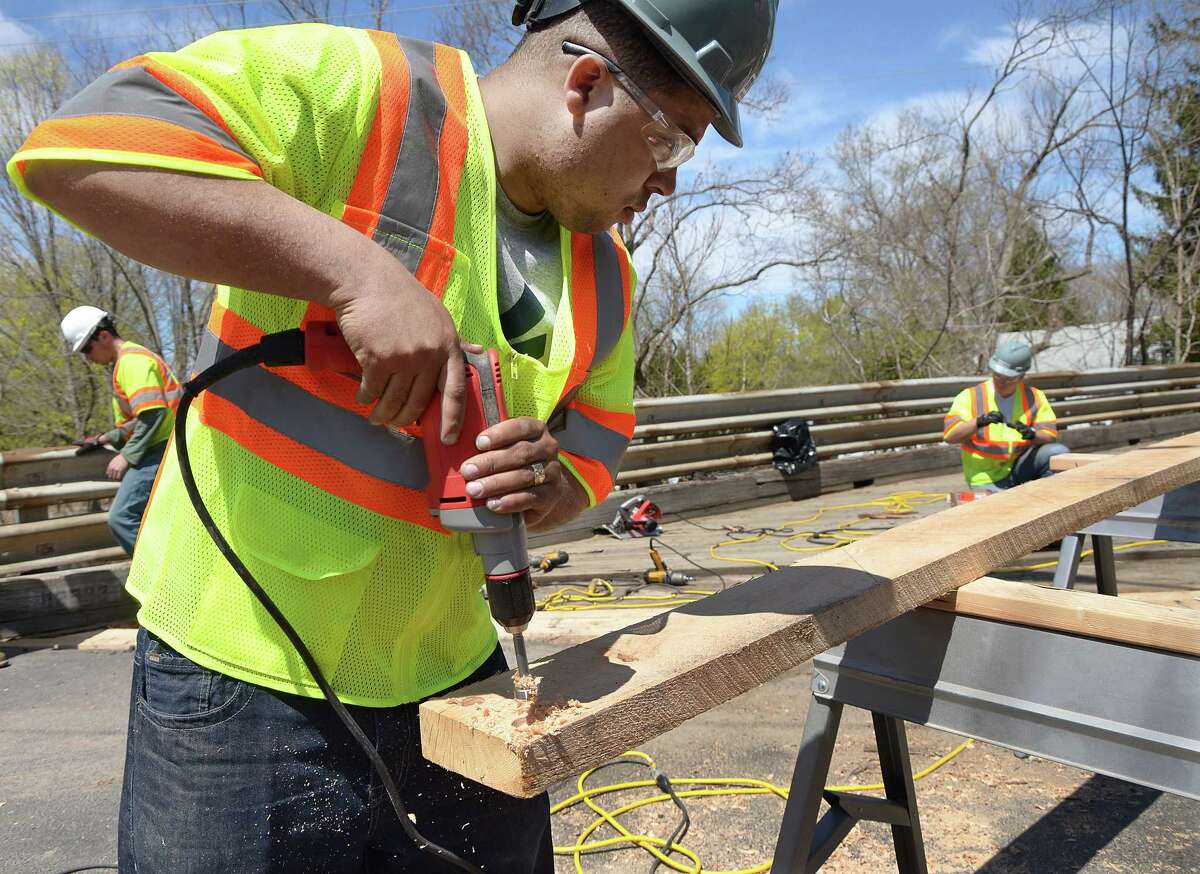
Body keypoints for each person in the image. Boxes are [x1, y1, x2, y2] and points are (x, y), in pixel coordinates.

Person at [9, 1, 778, 870]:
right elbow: (79, 149)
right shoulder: (366, 97)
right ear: (588, 84)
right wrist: (354, 274)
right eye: (675, 139)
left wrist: (559, 484)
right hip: (243, 680)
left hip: (460, 679)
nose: (671, 180)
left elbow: (601, 433)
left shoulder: (606, 270)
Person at [60, 305, 181, 554]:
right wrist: (106, 438)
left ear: (103, 336)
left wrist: (126, 455)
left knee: (121, 518)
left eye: (87, 348)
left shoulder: (132, 362)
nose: (87, 357)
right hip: (164, 447)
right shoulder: (129, 360)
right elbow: (143, 416)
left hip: (163, 450)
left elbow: (155, 414)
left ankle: (157, 583)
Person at [943, 338, 1069, 490]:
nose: (1001, 382)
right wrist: (979, 422)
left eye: (1008, 379)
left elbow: (1049, 435)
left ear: (1021, 377)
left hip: (1019, 468)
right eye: (997, 375)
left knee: (1058, 453)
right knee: (1000, 510)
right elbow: (950, 436)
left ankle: (1050, 504)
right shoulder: (970, 397)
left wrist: (1032, 434)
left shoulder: (1034, 397)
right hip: (984, 477)